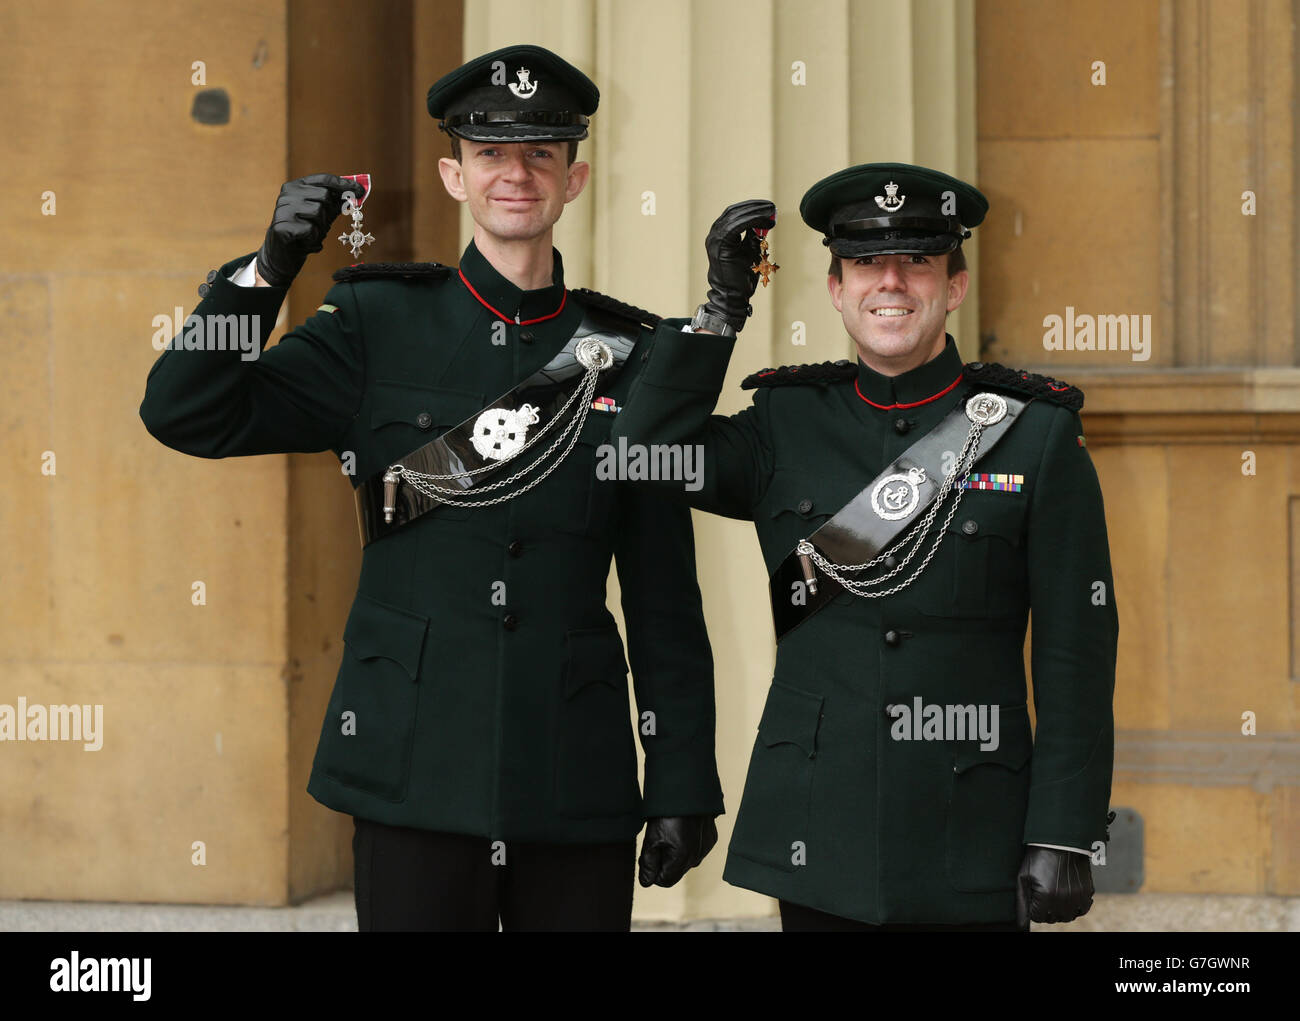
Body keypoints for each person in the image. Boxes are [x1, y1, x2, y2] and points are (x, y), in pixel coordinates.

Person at [139, 44, 723, 932]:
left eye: (541, 152)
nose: (516, 174)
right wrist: (264, 274)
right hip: (411, 759)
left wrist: (681, 778)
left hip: (572, 771)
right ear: (454, 176)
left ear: (576, 178)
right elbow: (187, 412)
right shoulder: (376, 324)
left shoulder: (631, 357)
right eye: (491, 153)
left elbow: (662, 596)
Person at [609, 163, 1118, 931]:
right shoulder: (784, 422)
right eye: (866, 264)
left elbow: (1077, 650)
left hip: (971, 823)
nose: (892, 283)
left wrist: (1063, 827)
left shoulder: (1032, 433)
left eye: (916, 261)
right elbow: (639, 454)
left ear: (954, 285)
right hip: (820, 820)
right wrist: (720, 311)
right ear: (837, 289)